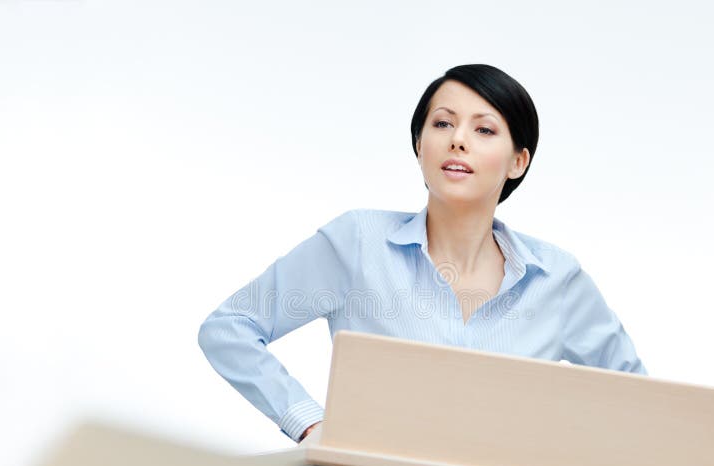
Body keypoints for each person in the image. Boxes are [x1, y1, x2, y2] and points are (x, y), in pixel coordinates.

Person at [198, 64, 647, 444]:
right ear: (419, 145)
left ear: (518, 162)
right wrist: (310, 424)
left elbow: (640, 401)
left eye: (484, 129)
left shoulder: (556, 278)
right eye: (442, 123)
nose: (458, 140)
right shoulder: (358, 242)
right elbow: (230, 328)